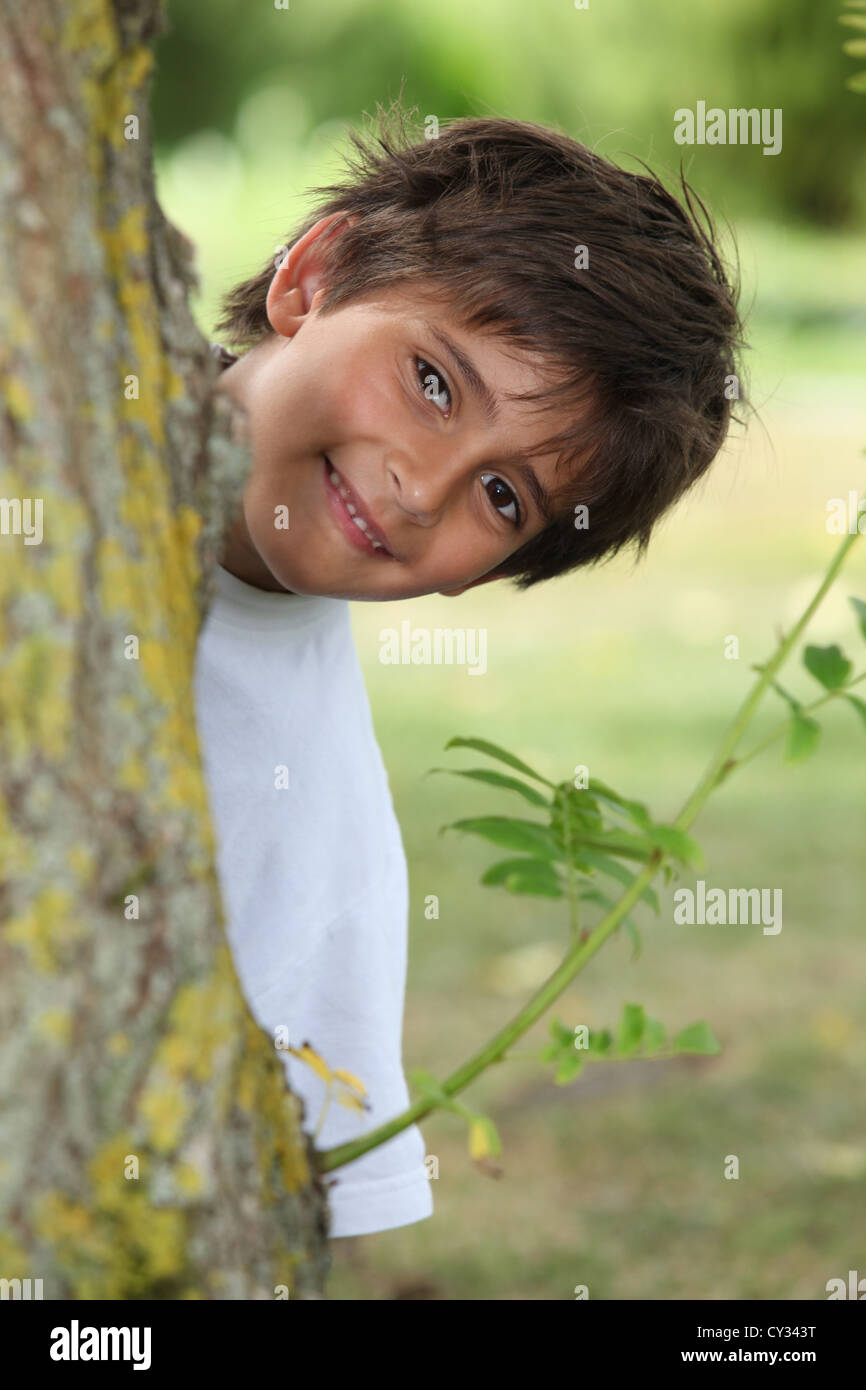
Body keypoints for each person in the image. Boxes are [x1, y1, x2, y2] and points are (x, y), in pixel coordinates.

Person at [193, 106, 746, 1239]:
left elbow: (266, 1226)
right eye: (434, 383)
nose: (418, 489)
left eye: (503, 499)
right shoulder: (36, 393)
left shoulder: (325, 845)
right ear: (314, 274)